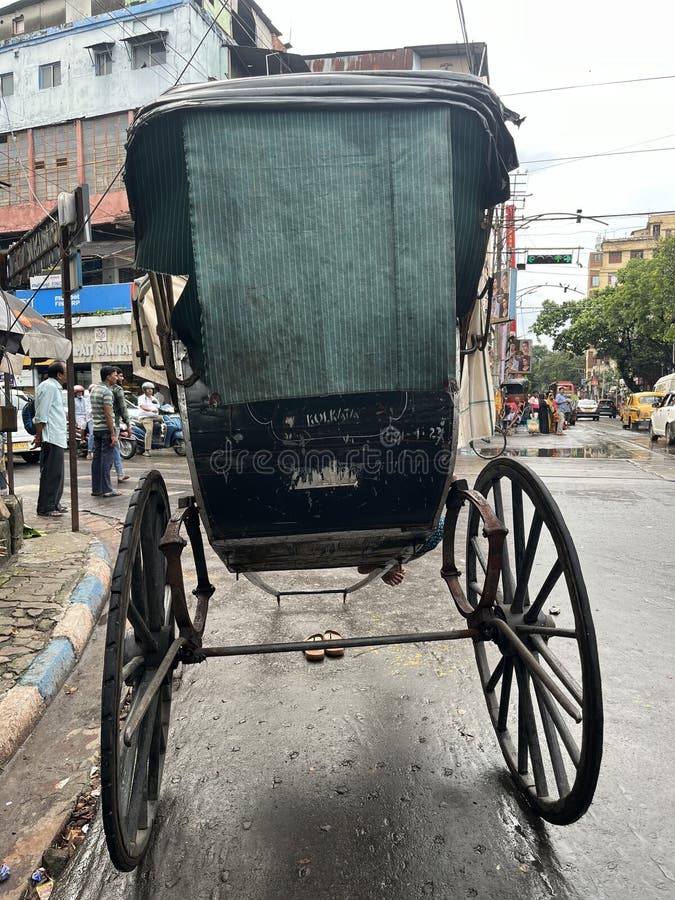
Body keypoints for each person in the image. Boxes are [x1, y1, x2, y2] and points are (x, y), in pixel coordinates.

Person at [33, 360, 68, 517]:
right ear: (59, 374)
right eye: (66, 371)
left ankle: (54, 503)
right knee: (51, 473)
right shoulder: (49, 387)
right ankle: (46, 506)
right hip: (51, 436)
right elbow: (42, 414)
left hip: (57, 436)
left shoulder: (54, 387)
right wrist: (39, 435)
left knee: (58, 473)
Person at [90, 366, 120, 498]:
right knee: (106, 460)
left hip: (96, 429)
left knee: (97, 459)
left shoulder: (95, 390)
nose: (116, 377)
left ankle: (96, 488)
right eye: (114, 375)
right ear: (108, 377)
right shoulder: (107, 392)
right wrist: (113, 433)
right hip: (106, 430)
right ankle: (107, 489)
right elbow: (108, 414)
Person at [111, 367, 130, 483]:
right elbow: (123, 408)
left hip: (104, 423)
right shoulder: (117, 389)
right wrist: (128, 424)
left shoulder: (101, 387)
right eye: (120, 376)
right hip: (114, 422)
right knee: (114, 449)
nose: (122, 378)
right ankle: (119, 474)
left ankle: (119, 473)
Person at [136, 381, 160, 457]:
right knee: (149, 430)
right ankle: (147, 450)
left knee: (167, 420)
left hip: (155, 416)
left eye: (151, 389)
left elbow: (159, 406)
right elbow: (143, 406)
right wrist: (150, 409)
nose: (150, 390)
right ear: (144, 390)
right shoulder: (141, 398)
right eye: (148, 389)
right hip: (146, 417)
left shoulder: (154, 398)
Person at [73, 385, 93, 459]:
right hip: (78, 416)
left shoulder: (85, 399)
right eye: (78, 392)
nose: (80, 394)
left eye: (81, 392)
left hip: (85, 415)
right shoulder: (73, 400)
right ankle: (81, 439)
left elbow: (87, 408)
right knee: (83, 424)